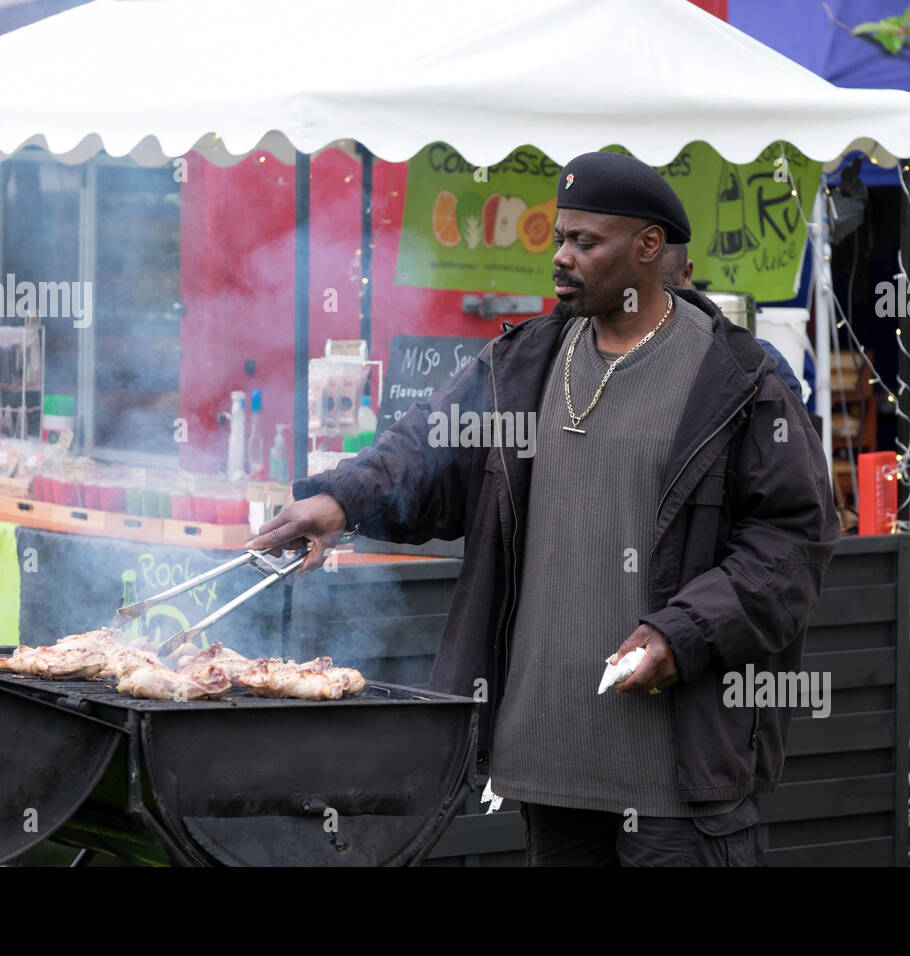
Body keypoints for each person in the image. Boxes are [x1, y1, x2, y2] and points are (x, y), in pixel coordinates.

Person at [249, 151, 840, 866]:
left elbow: (791, 544)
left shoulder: (739, 379)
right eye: (559, 238)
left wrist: (683, 634)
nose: (561, 257)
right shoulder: (520, 366)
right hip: (550, 764)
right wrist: (341, 498)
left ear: (648, 247)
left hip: (677, 784)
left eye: (585, 242)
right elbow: (422, 457)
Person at [658, 243, 805, 405]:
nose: (647, 309)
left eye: (663, 291)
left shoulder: (757, 366)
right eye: (633, 291)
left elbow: (791, 427)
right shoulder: (628, 361)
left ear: (686, 274)